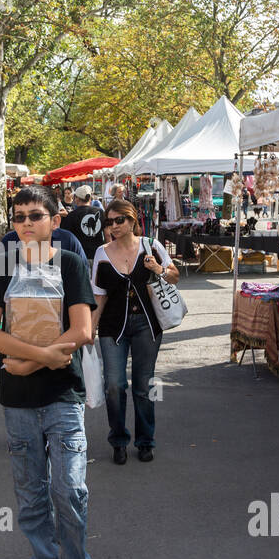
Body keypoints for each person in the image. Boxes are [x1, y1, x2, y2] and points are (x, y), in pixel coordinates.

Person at [0, 186, 97, 559]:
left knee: (69, 489)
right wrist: (43, 356)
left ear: (55, 221)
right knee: (30, 494)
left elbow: (82, 329)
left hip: (62, 394)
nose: (26, 224)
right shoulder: (2, 265)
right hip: (18, 401)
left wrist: (34, 363)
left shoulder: (70, 262)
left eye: (35, 216)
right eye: (19, 217)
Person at [90, 198, 179, 464]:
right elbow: (99, 295)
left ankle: (145, 441)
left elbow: (174, 276)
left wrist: (158, 268)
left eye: (119, 220)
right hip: (112, 327)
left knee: (144, 385)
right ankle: (118, 439)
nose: (114, 226)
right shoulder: (101, 253)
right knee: (114, 385)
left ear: (132, 221)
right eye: (109, 222)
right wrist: (89, 327)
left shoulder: (151, 246)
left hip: (146, 325)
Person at [60, 184, 105, 261]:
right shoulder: (100, 212)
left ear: (77, 199)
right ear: (89, 198)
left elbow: (65, 237)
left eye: (74, 197)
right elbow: (107, 233)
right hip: (98, 255)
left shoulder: (72, 215)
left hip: (79, 256)